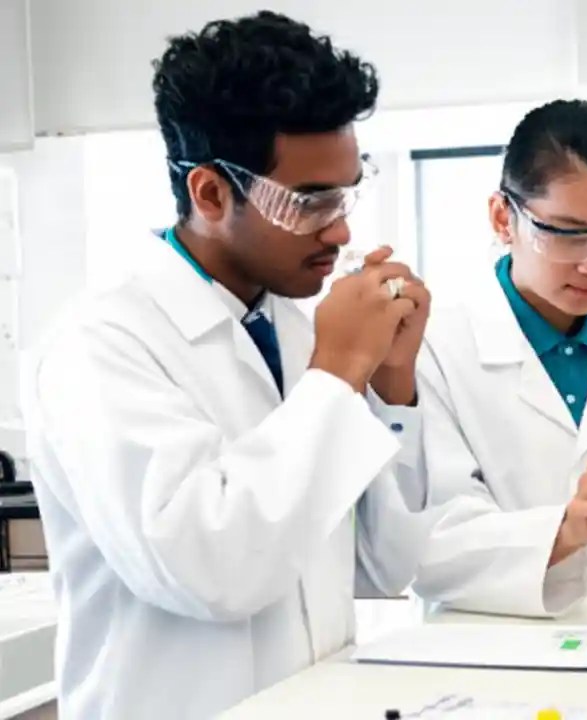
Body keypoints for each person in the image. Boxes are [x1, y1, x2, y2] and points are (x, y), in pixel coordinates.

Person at [20, 13, 435, 718]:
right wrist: (336, 376)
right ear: (211, 193)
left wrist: (391, 387)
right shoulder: (99, 345)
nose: (340, 229)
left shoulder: (299, 330)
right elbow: (209, 571)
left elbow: (387, 565)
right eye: (309, 202)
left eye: (345, 192)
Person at [411, 99, 587, 617]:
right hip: (483, 661)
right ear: (504, 217)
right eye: (568, 234)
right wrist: (565, 531)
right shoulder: (430, 352)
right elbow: (423, 550)